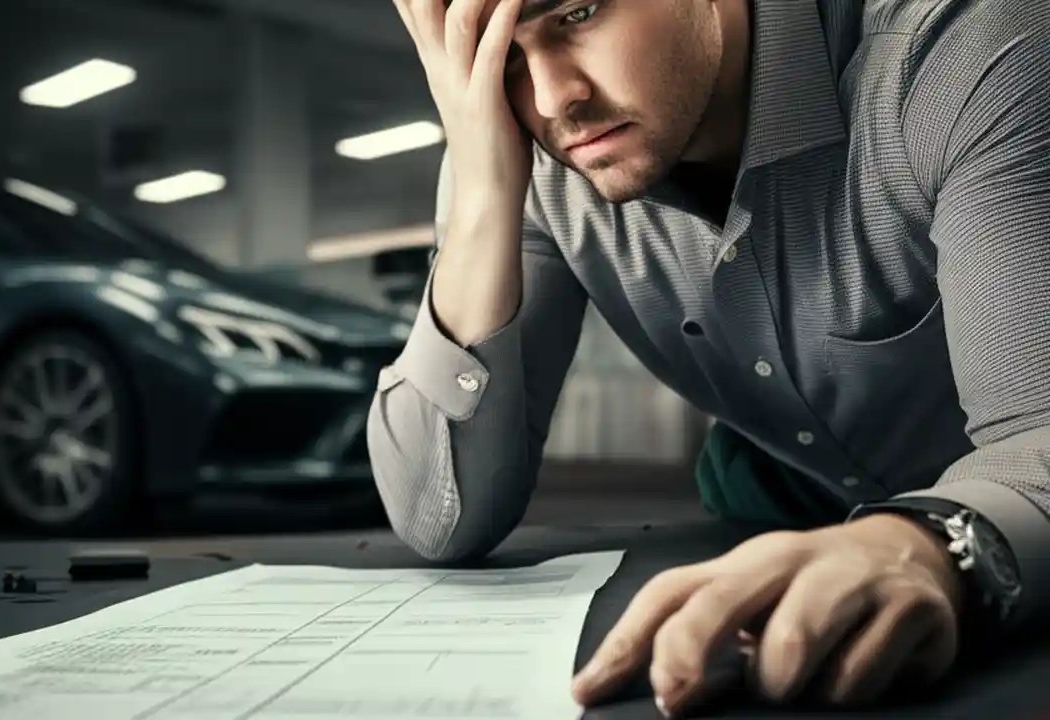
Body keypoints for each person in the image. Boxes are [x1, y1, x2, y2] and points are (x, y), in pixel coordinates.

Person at [370, 0, 1048, 715]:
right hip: (785, 521)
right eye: (498, 55)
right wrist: (480, 188)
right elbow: (439, 517)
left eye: (576, 13)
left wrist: (934, 545)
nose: (551, 99)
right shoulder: (523, 152)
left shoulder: (960, 49)